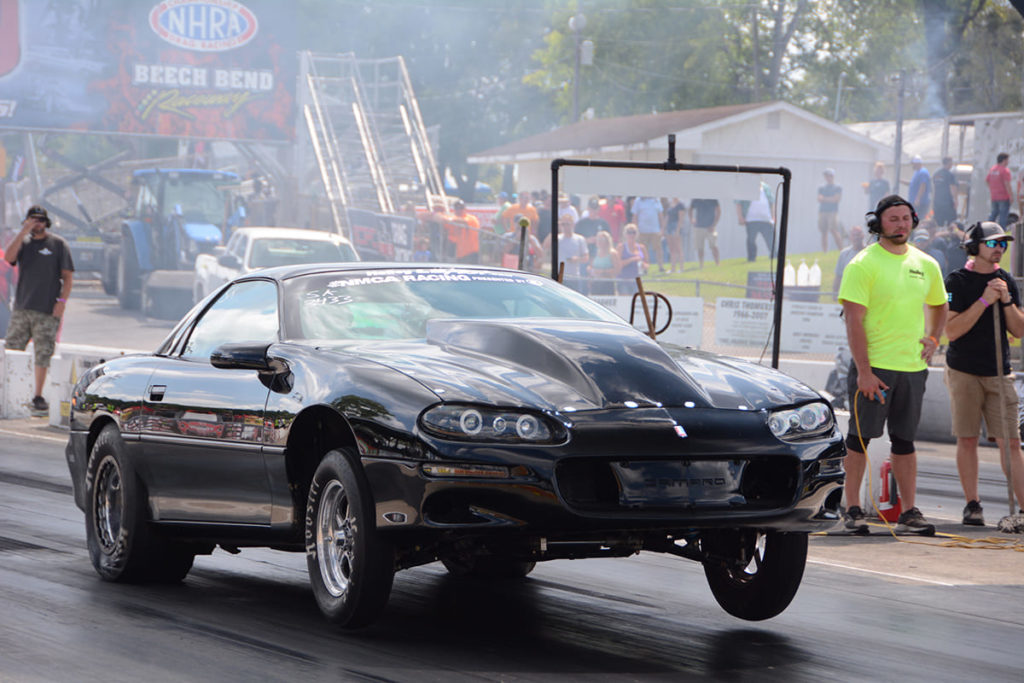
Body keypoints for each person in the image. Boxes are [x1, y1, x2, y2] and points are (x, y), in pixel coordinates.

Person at [837, 195, 947, 535]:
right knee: (859, 440)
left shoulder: (927, 263)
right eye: (893, 219)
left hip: (912, 369)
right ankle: (851, 508)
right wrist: (865, 372)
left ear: (913, 221)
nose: (900, 224)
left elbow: (940, 305)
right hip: (874, 369)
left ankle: (909, 511)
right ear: (878, 224)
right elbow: (853, 322)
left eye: (905, 218)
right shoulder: (862, 264)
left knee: (905, 441)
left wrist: (934, 338)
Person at [943, 221, 1024, 526]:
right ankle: (972, 504)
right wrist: (983, 301)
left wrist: (1004, 300)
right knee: (967, 439)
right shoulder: (957, 281)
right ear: (974, 247)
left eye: (1003, 244)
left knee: (1011, 442)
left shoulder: (1005, 281)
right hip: (963, 371)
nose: (1000, 249)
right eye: (993, 243)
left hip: (999, 372)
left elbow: (1018, 328)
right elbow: (951, 331)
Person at [4, 206, 74, 416]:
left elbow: (68, 276)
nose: (37, 223)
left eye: (41, 220)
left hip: (46, 309)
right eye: (33, 220)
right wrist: (23, 232)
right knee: (12, 350)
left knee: (43, 353)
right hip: (23, 307)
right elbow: (8, 258)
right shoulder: (23, 244)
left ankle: (37, 395)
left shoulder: (57, 244)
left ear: (47, 222)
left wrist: (61, 301)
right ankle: (9, 393)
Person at [543, 213, 588, 292]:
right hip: (559, 276)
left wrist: (577, 259)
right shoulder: (557, 238)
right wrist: (554, 229)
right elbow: (545, 246)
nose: (565, 227)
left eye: (568, 224)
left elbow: (586, 257)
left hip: (574, 277)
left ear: (573, 224)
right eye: (563, 224)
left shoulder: (579, 239)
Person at [736, 180, 774, 262]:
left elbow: (771, 202)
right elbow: (738, 203)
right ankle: (751, 258)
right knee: (751, 240)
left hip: (766, 219)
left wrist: (773, 216)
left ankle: (774, 255)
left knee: (770, 239)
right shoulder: (745, 188)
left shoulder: (766, 188)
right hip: (751, 219)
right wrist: (740, 217)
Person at [630, 196, 664, 272]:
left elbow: (660, 215)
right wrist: (634, 229)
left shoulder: (656, 200)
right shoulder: (638, 201)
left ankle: (661, 267)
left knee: (658, 249)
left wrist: (662, 229)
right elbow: (635, 216)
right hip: (642, 231)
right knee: (643, 251)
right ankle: (644, 268)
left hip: (655, 230)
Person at [833, 224, 865, 299]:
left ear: (863, 236)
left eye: (858, 235)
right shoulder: (844, 254)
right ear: (850, 237)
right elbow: (838, 275)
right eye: (853, 235)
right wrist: (834, 293)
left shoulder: (869, 252)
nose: (856, 237)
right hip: (848, 295)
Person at [689, 198, 721, 268]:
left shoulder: (712, 199)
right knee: (700, 248)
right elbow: (690, 209)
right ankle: (701, 265)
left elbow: (718, 211)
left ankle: (717, 263)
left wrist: (714, 224)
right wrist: (691, 219)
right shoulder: (696, 199)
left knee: (714, 246)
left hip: (711, 227)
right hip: (699, 227)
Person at [617, 223, 648, 294]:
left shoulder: (642, 247)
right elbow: (618, 265)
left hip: (637, 281)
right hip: (624, 281)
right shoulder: (621, 247)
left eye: (633, 232)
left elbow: (647, 264)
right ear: (625, 234)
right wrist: (632, 259)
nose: (631, 235)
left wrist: (643, 264)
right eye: (629, 232)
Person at [817, 168, 843, 251]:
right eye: (826, 176)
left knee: (833, 230)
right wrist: (829, 199)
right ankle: (824, 251)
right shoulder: (821, 187)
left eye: (829, 176)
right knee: (823, 232)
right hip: (823, 211)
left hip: (832, 212)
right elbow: (819, 198)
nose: (828, 177)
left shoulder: (837, 187)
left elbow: (836, 199)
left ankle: (841, 249)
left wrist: (825, 199)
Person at [446, 200, 480, 264]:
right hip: (460, 254)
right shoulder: (453, 219)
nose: (459, 210)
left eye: (461, 208)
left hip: (471, 253)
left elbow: (463, 222)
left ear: (465, 209)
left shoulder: (471, 218)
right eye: (457, 208)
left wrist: (447, 218)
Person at [589, 230, 621, 295]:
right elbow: (591, 266)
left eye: (601, 239)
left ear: (607, 241)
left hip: (607, 284)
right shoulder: (595, 252)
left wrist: (603, 272)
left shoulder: (612, 253)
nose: (599, 241)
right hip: (595, 283)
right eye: (598, 239)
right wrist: (590, 270)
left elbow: (617, 270)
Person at [986, 152, 1013, 228]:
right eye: (1007, 160)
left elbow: (987, 180)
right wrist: (1011, 196)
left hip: (994, 196)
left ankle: (987, 229)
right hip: (1003, 197)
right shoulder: (1005, 170)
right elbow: (1007, 184)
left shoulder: (993, 169)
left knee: (993, 214)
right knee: (1003, 216)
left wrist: (992, 189)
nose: (1008, 162)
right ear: (1004, 160)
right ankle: (1001, 232)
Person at [932, 156, 958, 227]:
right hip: (948, 203)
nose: (952, 164)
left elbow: (934, 189)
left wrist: (933, 202)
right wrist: (955, 200)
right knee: (952, 222)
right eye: (951, 163)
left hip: (937, 203)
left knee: (938, 223)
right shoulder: (949, 174)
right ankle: (949, 236)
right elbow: (952, 188)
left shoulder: (936, 174)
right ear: (948, 163)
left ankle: (939, 234)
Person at [664, 197, 686, 273]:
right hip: (669, 227)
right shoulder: (670, 205)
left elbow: (681, 219)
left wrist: (678, 230)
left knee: (678, 248)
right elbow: (667, 218)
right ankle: (673, 268)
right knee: (672, 249)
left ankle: (681, 268)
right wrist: (663, 229)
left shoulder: (680, 205)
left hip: (676, 227)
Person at [907, 156, 931, 220]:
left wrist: (918, 199)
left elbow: (923, 185)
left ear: (917, 163)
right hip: (914, 201)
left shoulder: (923, 172)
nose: (912, 165)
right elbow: (913, 184)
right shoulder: (917, 172)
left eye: (913, 164)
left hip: (920, 202)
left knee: (919, 218)